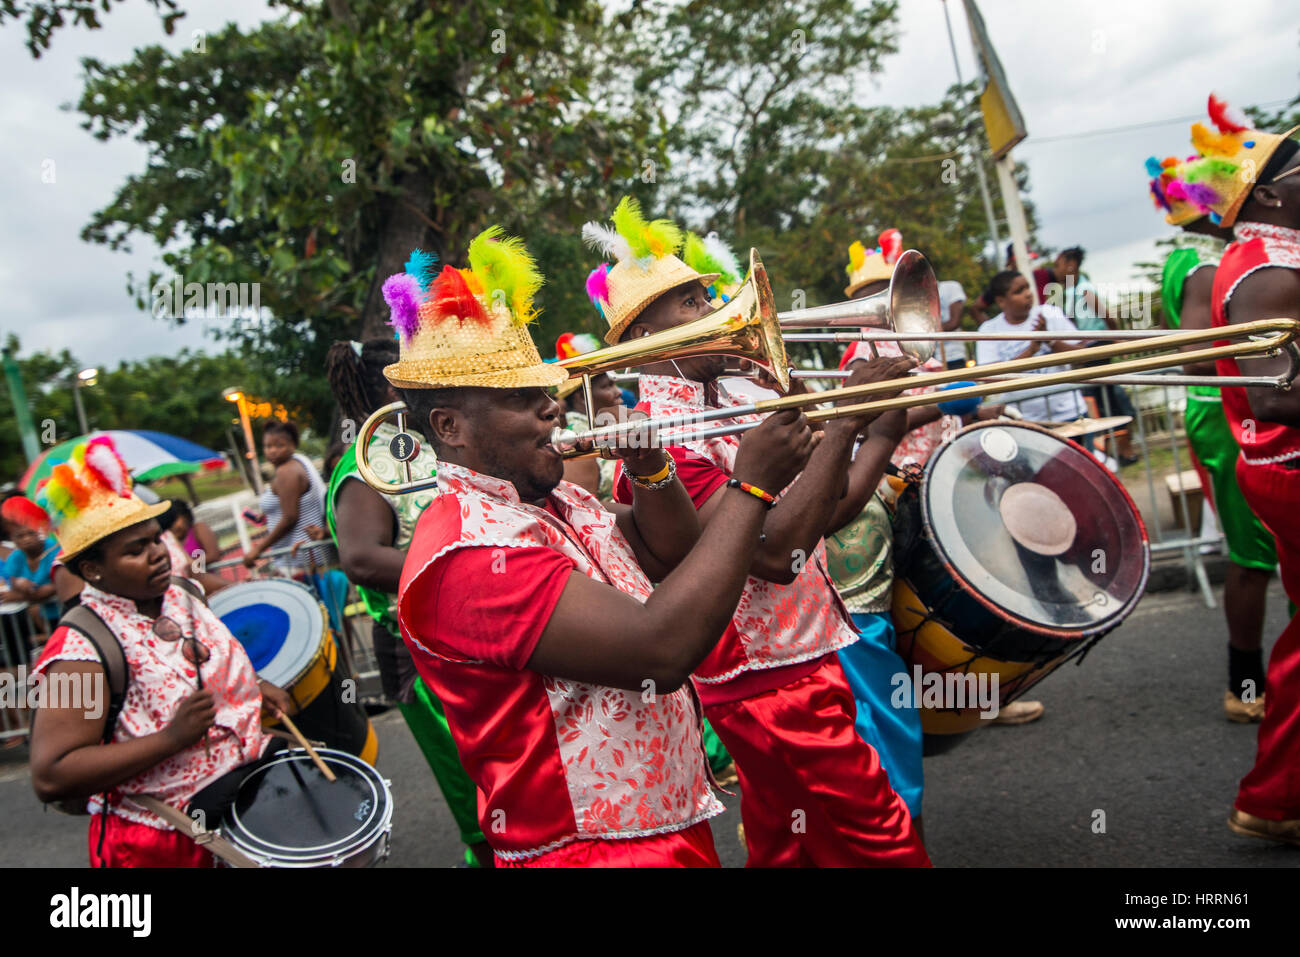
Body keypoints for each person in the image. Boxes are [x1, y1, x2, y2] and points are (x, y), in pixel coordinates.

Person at [391, 225, 815, 867]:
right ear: (449, 427)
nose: (552, 410)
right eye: (522, 399)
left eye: (546, 393)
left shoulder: (548, 499)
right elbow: (661, 650)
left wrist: (650, 469)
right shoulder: (469, 553)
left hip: (656, 821)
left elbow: (668, 553)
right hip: (592, 849)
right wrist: (752, 487)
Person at [592, 199, 929, 867]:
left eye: (704, 293)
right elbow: (773, 553)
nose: (715, 308)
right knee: (884, 840)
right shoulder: (659, 438)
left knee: (790, 848)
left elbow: (823, 512)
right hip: (763, 679)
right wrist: (843, 426)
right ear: (640, 335)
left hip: (803, 654)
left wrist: (880, 427)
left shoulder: (744, 395)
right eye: (689, 304)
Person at [27, 436, 296, 867]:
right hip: (163, 844)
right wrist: (170, 739)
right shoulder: (78, 649)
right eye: (135, 550)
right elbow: (52, 773)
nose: (155, 554)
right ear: (92, 569)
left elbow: (202, 667)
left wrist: (254, 688)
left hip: (245, 807)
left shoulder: (182, 594)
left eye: (155, 540)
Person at [322, 331, 493, 868]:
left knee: (505, 762)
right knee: (471, 777)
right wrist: (464, 571)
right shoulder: (363, 464)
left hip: (472, 630)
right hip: (419, 647)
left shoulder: (421, 444)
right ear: (394, 386)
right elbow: (362, 559)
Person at [1182, 97, 1300, 845]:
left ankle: (1276, 795)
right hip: (1288, 460)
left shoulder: (1268, 257)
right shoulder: (1267, 269)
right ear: (1266, 194)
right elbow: (1269, 391)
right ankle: (1272, 794)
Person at [1148, 154, 1277, 722]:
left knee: (1267, 551)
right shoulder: (1205, 261)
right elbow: (1194, 357)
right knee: (1254, 554)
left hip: (1239, 410)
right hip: (1233, 417)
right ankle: (1245, 685)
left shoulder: (1202, 254)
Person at [975, 270, 1090, 424]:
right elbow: (989, 379)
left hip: (1071, 414)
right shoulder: (988, 330)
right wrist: (1030, 351)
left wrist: (1051, 341)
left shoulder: (1050, 313)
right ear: (1001, 301)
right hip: (1025, 422)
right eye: (1018, 291)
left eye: (1027, 287)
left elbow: (1083, 356)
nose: (1028, 294)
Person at [242, 420, 329, 573]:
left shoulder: (287, 471)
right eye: (268, 446)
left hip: (301, 557)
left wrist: (258, 550)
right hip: (305, 554)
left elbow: (290, 517)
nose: (272, 451)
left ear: (293, 445)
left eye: (279, 445)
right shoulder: (299, 463)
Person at [552, 332, 623, 502]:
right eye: (608, 386)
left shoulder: (600, 428)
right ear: (582, 398)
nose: (618, 391)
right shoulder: (573, 439)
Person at [1, 496, 62, 637]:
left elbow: (50, 589)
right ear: (13, 539)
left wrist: (18, 596)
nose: (26, 539)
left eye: (30, 533)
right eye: (20, 536)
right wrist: (19, 584)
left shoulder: (54, 549)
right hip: (46, 616)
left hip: (65, 610)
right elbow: (13, 579)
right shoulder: (16, 556)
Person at [938, 278, 970, 370]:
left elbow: (954, 322)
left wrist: (928, 331)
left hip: (953, 356)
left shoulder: (951, 287)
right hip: (928, 361)